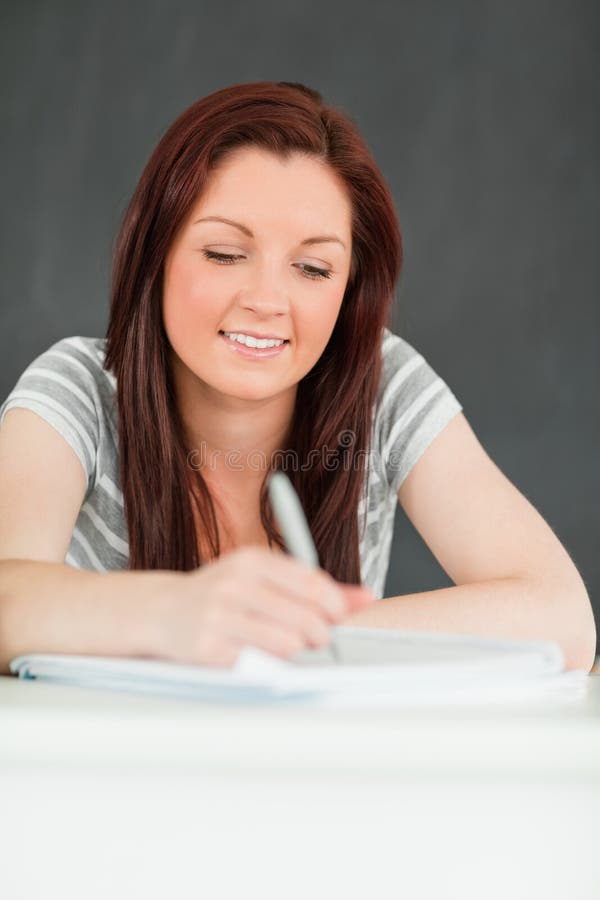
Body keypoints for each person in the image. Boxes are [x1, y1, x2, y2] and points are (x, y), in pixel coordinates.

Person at [0, 81, 595, 673]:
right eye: (224, 254)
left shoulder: (382, 384)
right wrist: (176, 613)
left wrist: (286, 633)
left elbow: (562, 619)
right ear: (154, 254)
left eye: (312, 268)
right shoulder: (78, 388)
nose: (267, 300)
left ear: (349, 288)